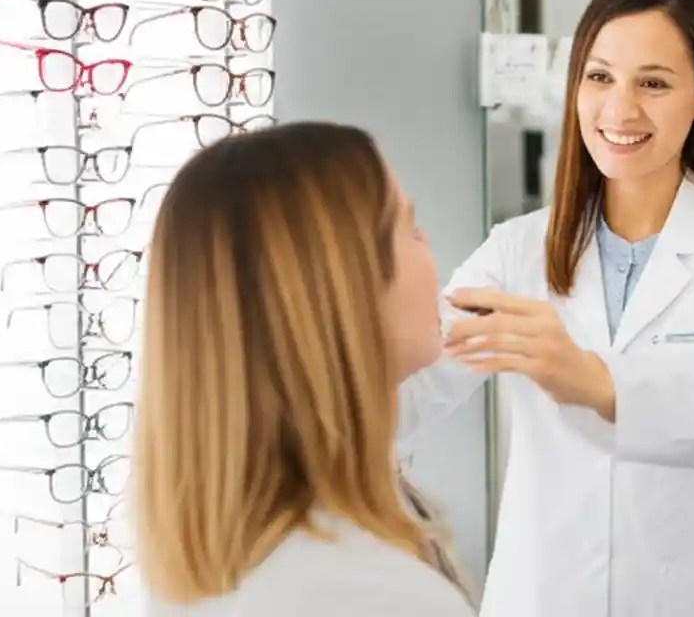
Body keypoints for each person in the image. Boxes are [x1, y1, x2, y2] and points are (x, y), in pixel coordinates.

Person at [399, 0, 694, 616]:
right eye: (599, 77)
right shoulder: (515, 251)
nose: (620, 110)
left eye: (653, 83)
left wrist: (594, 380)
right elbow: (418, 380)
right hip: (549, 594)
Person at [133, 123, 474, 616]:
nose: (430, 248)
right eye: (410, 228)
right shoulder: (384, 597)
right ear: (345, 289)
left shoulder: (206, 569)